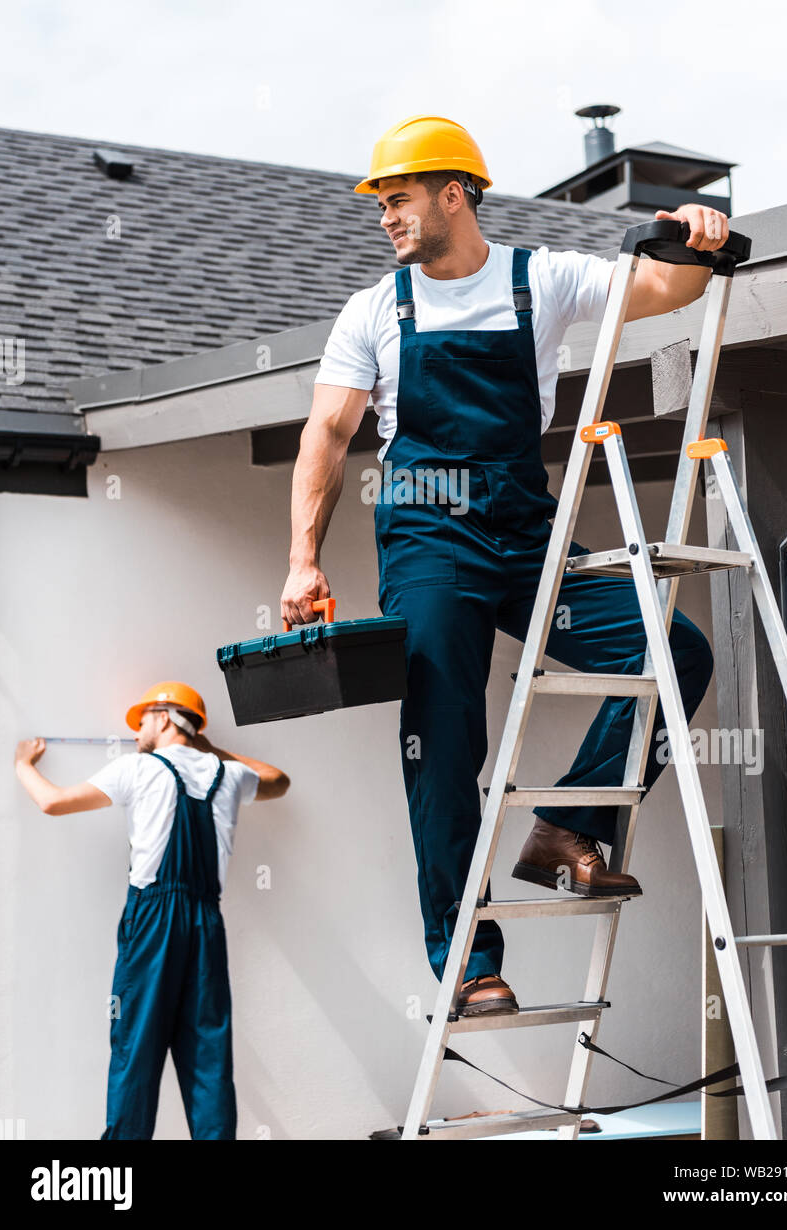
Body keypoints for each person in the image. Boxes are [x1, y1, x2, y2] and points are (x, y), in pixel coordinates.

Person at [281, 114, 719, 1016]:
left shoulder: (540, 277)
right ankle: (469, 961)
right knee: (442, 749)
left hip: (525, 537)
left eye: (396, 199)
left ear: (453, 193)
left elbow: (659, 288)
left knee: (677, 652)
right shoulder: (373, 309)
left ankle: (568, 830)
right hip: (429, 542)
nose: (384, 218)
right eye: (380, 204)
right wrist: (300, 562)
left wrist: (697, 234)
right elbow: (327, 432)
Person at [14, 679, 289, 1138]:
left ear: (163, 718)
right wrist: (212, 749)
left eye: (142, 719)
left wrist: (23, 765)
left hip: (151, 926)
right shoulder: (230, 776)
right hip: (206, 924)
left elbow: (51, 802)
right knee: (208, 1058)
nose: (137, 729)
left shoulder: (137, 770)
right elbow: (279, 781)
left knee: (135, 1051)